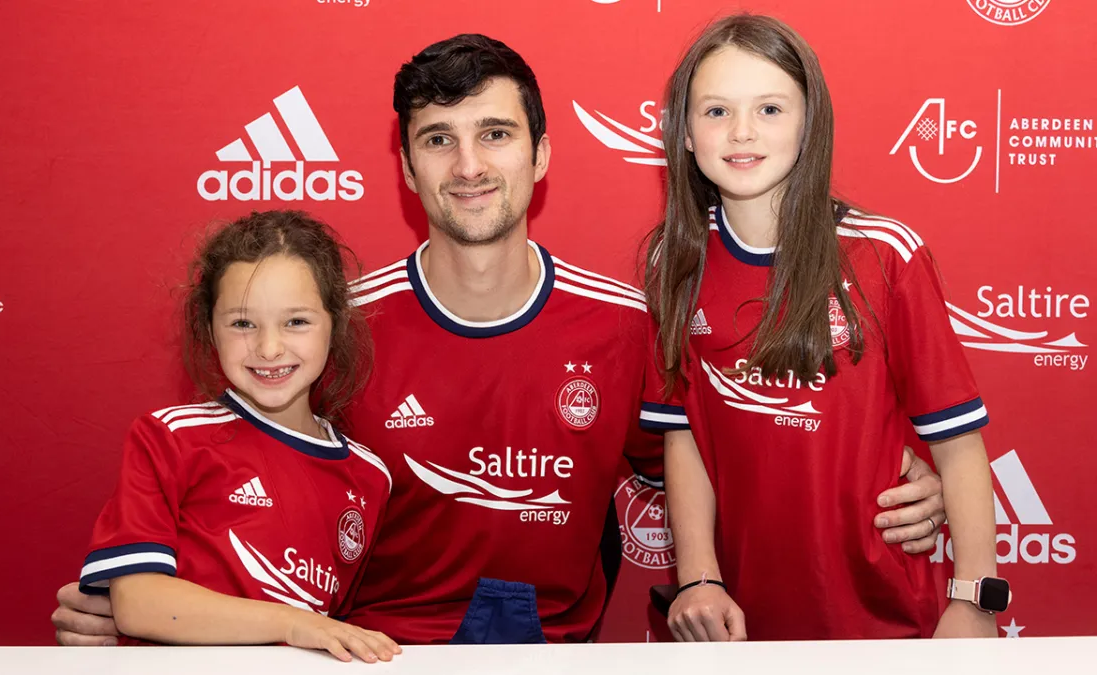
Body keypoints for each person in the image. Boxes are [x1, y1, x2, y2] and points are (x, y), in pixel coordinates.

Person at [53, 33, 948, 647]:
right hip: (370, 652)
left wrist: (903, 472)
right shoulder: (333, 327)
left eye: (495, 134)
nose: (470, 166)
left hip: (554, 651)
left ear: (541, 154)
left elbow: (718, 450)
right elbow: (235, 473)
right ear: (406, 168)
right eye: (438, 140)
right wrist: (140, 599)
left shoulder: (625, 323)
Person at [644, 14, 1002, 642]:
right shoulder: (674, 261)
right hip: (741, 622)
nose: (742, 131)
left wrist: (974, 600)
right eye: (717, 111)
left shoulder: (884, 255)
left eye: (770, 109)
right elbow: (685, 434)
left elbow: (957, 442)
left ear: (811, 123)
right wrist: (699, 577)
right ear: (685, 133)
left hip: (888, 618)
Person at [77, 210, 400, 662]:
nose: (269, 348)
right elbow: (138, 604)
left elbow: (341, 627)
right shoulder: (170, 438)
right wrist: (292, 622)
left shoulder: (370, 476)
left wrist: (314, 627)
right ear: (209, 329)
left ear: (336, 324)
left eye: (296, 322)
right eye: (243, 324)